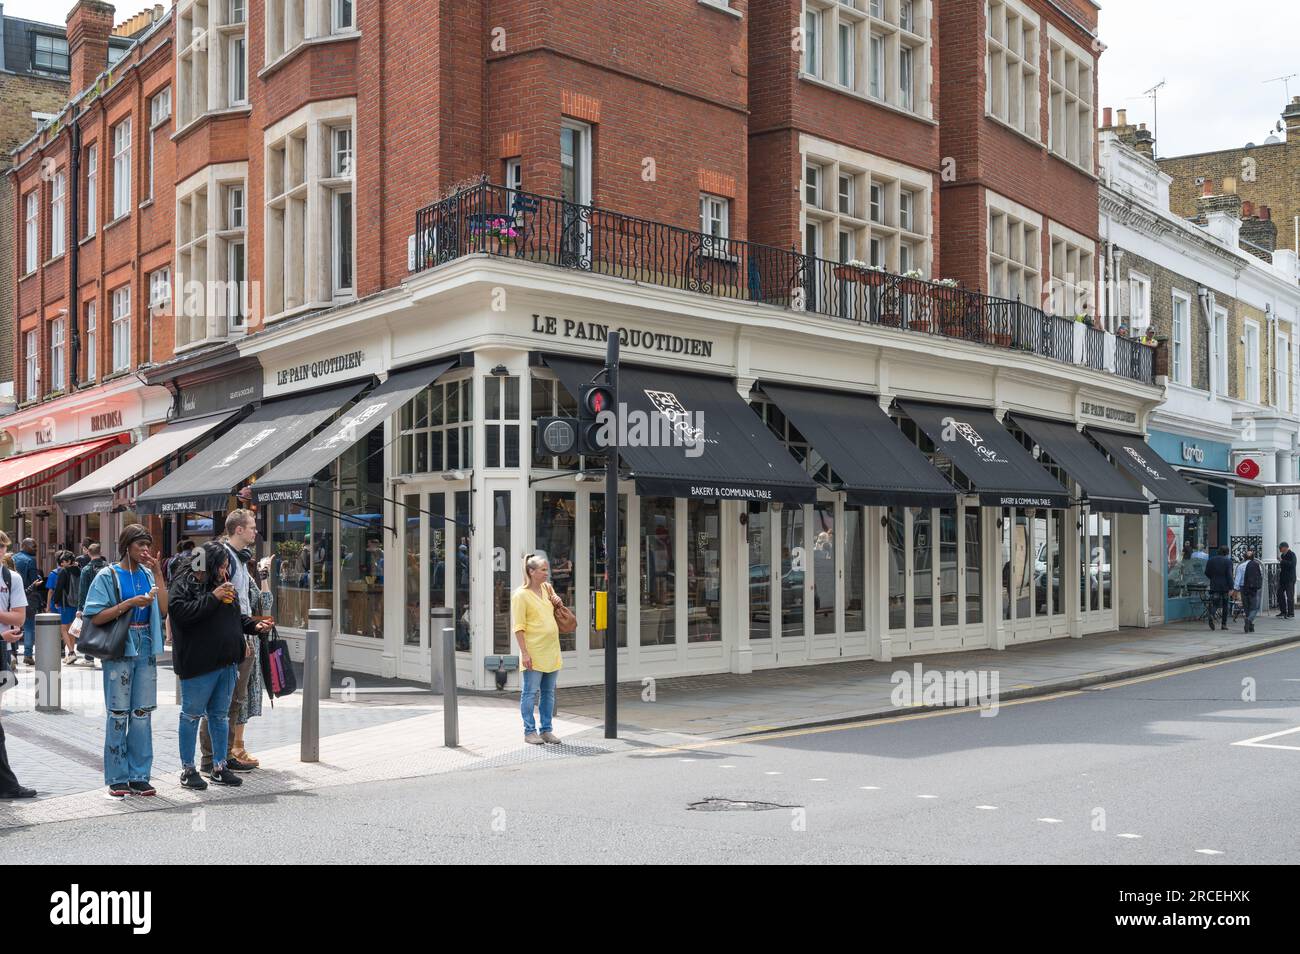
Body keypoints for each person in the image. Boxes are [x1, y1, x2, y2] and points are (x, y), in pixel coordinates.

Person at [170, 541, 270, 790]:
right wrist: (213, 598)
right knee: (191, 715)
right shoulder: (184, 584)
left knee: (220, 716)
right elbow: (182, 614)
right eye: (222, 566)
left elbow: (234, 617)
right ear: (210, 564)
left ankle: (219, 766)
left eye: (227, 567)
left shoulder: (223, 586)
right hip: (198, 664)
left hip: (226, 662)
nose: (225, 572)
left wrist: (253, 626)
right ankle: (188, 769)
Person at [83, 525, 168, 797]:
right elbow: (94, 616)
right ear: (126, 546)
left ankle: (140, 775)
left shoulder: (147, 574)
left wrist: (157, 573)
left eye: (148, 545)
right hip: (120, 646)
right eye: (139, 545)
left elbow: (164, 608)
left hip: (145, 645)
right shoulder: (107, 576)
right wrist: (129, 604)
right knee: (118, 714)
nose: (145, 550)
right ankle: (118, 777)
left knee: (141, 714)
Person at [197, 511, 260, 774]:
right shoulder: (222, 559)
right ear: (238, 530)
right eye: (252, 528)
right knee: (218, 700)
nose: (255, 532)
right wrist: (237, 636)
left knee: (236, 699)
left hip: (241, 632)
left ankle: (226, 752)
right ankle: (210, 758)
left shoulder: (241, 560)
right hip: (229, 636)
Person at [511, 553, 564, 745]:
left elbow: (556, 608)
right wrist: (524, 653)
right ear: (531, 571)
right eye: (543, 569)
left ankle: (546, 730)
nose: (546, 573)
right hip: (533, 652)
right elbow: (518, 627)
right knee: (530, 692)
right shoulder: (520, 595)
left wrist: (557, 600)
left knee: (548, 693)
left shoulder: (547, 589)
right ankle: (529, 731)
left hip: (551, 650)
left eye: (547, 569)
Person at [0, 532, 36, 799]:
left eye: (1, 547)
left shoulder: (10, 577)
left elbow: (19, 617)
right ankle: (7, 783)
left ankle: (7, 784)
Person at [13, 539, 41, 667]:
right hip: (28, 597)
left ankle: (12, 652)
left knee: (13, 625)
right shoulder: (30, 560)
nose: (35, 548)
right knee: (29, 626)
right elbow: (33, 580)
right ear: (24, 546)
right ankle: (28, 655)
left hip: (13, 596)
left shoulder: (13, 558)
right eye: (33, 546)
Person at [1204, 546, 1234, 631]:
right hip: (1225, 587)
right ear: (1227, 552)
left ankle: (1212, 614)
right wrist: (1231, 587)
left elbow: (1206, 572)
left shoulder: (1211, 560)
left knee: (1215, 603)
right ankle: (1224, 624)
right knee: (1225, 605)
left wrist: (1213, 578)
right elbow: (1229, 575)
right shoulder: (1228, 561)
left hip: (1214, 585)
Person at [1235, 548, 1264, 634]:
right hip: (1253, 588)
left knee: (1246, 607)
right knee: (1254, 608)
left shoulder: (1240, 566)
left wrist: (1235, 589)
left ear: (1244, 557)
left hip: (1243, 588)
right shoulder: (1256, 565)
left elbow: (1237, 579)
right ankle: (1249, 620)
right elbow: (1260, 575)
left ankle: (1250, 625)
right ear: (1253, 557)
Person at [1278, 543, 1296, 619]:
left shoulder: (1292, 554)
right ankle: (1283, 611)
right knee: (1279, 594)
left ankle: (1291, 613)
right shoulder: (1282, 555)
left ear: (1285, 547)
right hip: (1283, 579)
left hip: (1290, 579)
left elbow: (1292, 564)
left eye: (1280, 548)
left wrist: (1282, 561)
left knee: (1289, 596)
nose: (1279, 550)